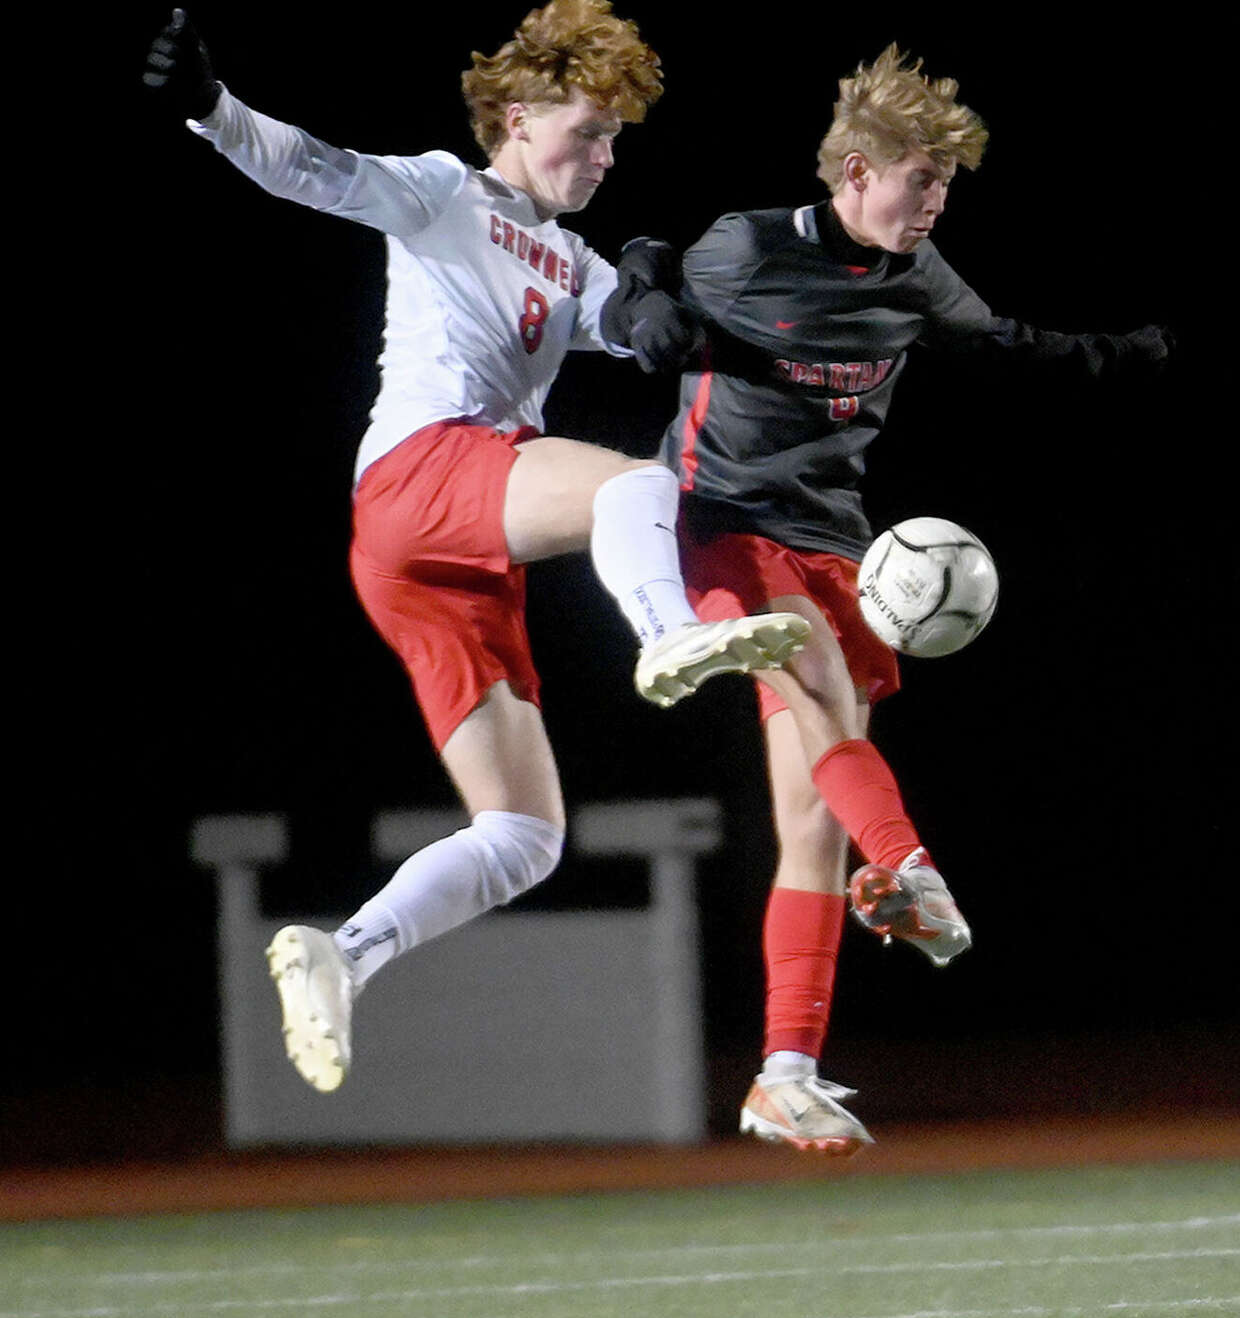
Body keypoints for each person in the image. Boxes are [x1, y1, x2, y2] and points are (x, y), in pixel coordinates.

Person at [143, 3, 808, 1095]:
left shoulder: (571, 256)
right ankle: (670, 636)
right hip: (423, 474)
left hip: (436, 555)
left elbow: (655, 331)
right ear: (515, 115)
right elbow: (319, 169)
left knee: (523, 834)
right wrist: (210, 109)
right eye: (587, 131)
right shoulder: (448, 192)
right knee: (638, 487)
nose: (602, 158)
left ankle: (341, 954)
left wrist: (676, 311)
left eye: (615, 142)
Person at [655, 45, 1172, 1154]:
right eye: (920, 180)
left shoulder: (915, 276)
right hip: (721, 526)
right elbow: (641, 283)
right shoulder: (744, 249)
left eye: (945, 185)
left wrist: (1113, 357)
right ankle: (917, 869)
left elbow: (1002, 344)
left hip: (835, 544)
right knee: (824, 693)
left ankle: (782, 1073)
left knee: (809, 824)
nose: (934, 203)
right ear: (854, 170)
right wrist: (649, 292)